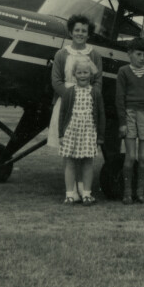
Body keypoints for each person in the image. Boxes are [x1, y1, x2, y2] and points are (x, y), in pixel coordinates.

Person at [49, 15, 105, 204]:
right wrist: (70, 95)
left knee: (85, 152)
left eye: (84, 31)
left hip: (87, 105)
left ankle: (84, 187)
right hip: (67, 102)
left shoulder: (94, 54)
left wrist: (88, 95)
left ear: (88, 34)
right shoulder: (61, 54)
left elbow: (98, 82)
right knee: (69, 150)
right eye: (77, 30)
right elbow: (56, 80)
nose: (80, 34)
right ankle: (71, 190)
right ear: (71, 32)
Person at [116, 37, 144, 204]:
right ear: (129, 54)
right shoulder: (123, 71)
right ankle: (127, 193)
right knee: (130, 156)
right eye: (138, 54)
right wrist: (122, 122)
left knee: (143, 157)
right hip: (129, 114)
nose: (142, 58)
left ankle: (140, 193)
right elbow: (119, 99)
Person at [57, 58, 105, 206]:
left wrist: (100, 137)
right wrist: (61, 134)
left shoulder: (95, 93)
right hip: (72, 131)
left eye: (86, 72)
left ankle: (86, 194)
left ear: (91, 74)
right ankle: (70, 195)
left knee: (87, 163)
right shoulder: (69, 93)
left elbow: (101, 115)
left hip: (89, 132)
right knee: (70, 163)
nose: (83, 75)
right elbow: (63, 114)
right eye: (79, 72)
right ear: (74, 74)